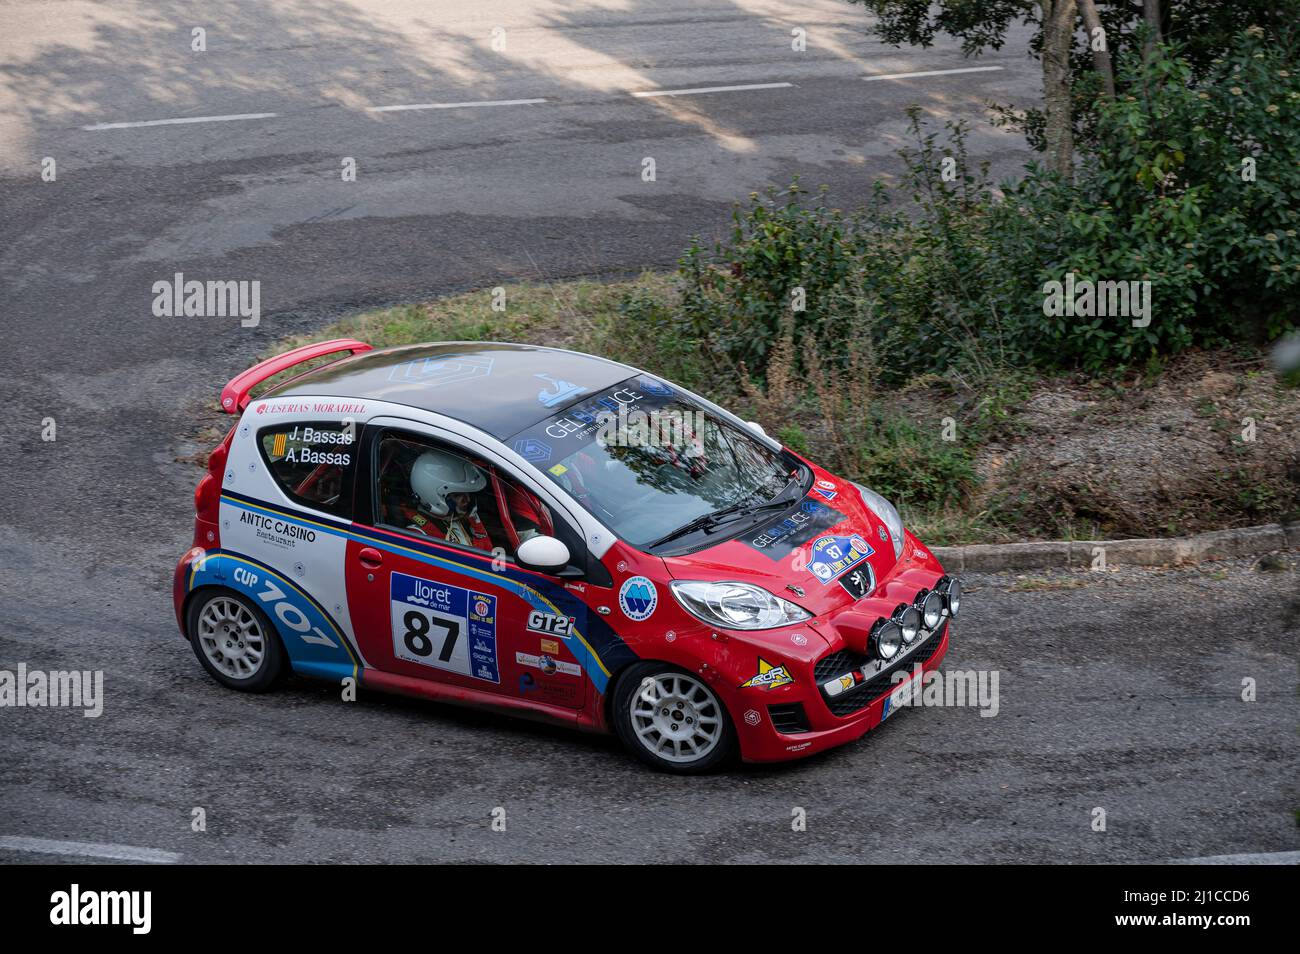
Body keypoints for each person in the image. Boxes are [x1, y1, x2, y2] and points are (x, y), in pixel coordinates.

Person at [405, 449, 494, 551]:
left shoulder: (465, 514)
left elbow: (488, 549)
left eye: (468, 493)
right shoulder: (419, 536)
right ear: (436, 498)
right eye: (457, 495)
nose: (468, 500)